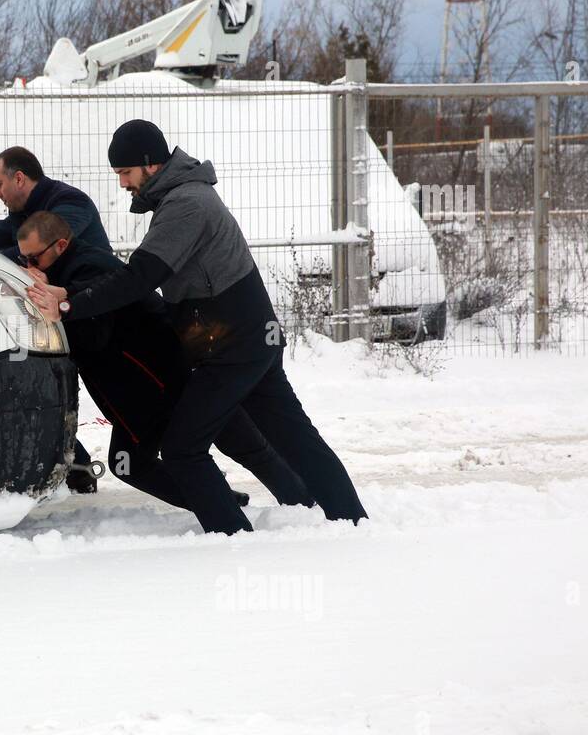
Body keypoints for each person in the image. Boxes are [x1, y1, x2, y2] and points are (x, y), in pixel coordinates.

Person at [26, 120, 367, 536]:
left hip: (233, 344)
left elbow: (140, 276)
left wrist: (67, 305)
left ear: (150, 165)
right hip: (242, 338)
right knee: (293, 437)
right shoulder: (181, 198)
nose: (122, 184)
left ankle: (235, 538)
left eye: (125, 173)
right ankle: (350, 521)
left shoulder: (187, 204)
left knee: (184, 448)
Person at [17, 210, 312, 513]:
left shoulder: (89, 266)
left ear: (61, 246)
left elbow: (93, 337)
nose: (29, 267)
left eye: (33, 259)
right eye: (23, 259)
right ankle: (242, 500)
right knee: (153, 459)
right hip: (150, 386)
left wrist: (52, 307)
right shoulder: (70, 269)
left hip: (160, 382)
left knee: (221, 445)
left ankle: (284, 501)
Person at [0, 146, 111, 257]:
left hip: (96, 289)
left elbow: (37, 249)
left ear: (19, 179)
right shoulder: (25, 209)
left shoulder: (71, 202)